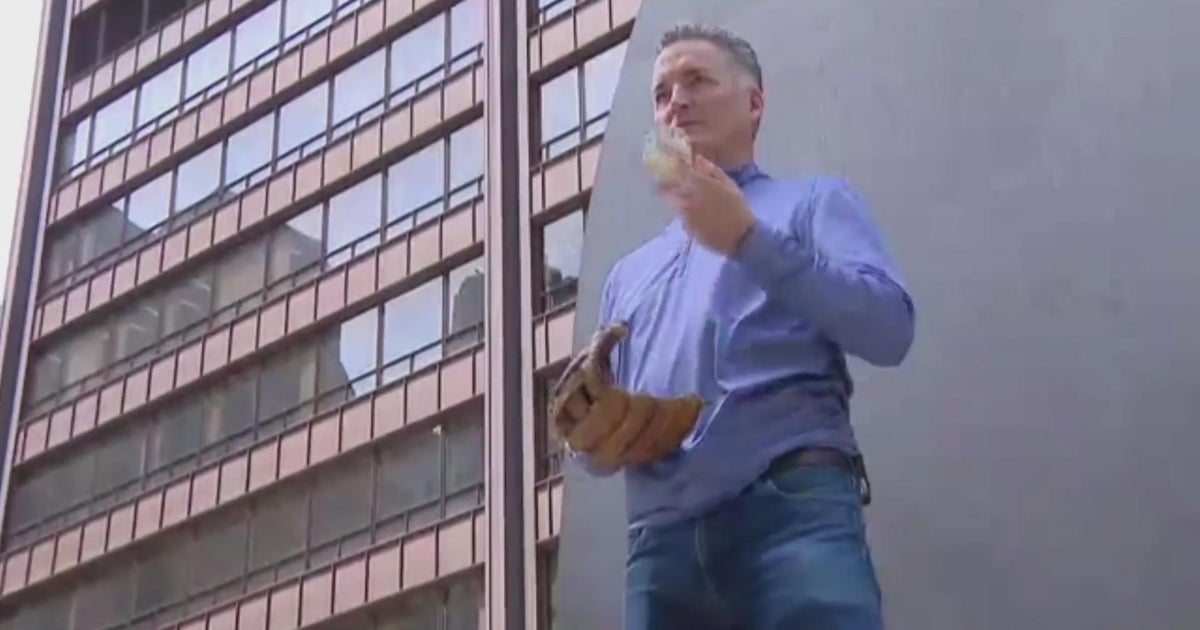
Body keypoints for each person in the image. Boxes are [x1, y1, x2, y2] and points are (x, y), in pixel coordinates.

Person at [558, 22, 917, 630]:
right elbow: (600, 452)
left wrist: (749, 239)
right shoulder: (627, 274)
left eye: (697, 79)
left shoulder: (813, 204)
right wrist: (586, 437)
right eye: (662, 91)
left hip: (791, 518)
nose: (677, 100)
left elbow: (890, 329)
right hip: (658, 552)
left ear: (755, 103)